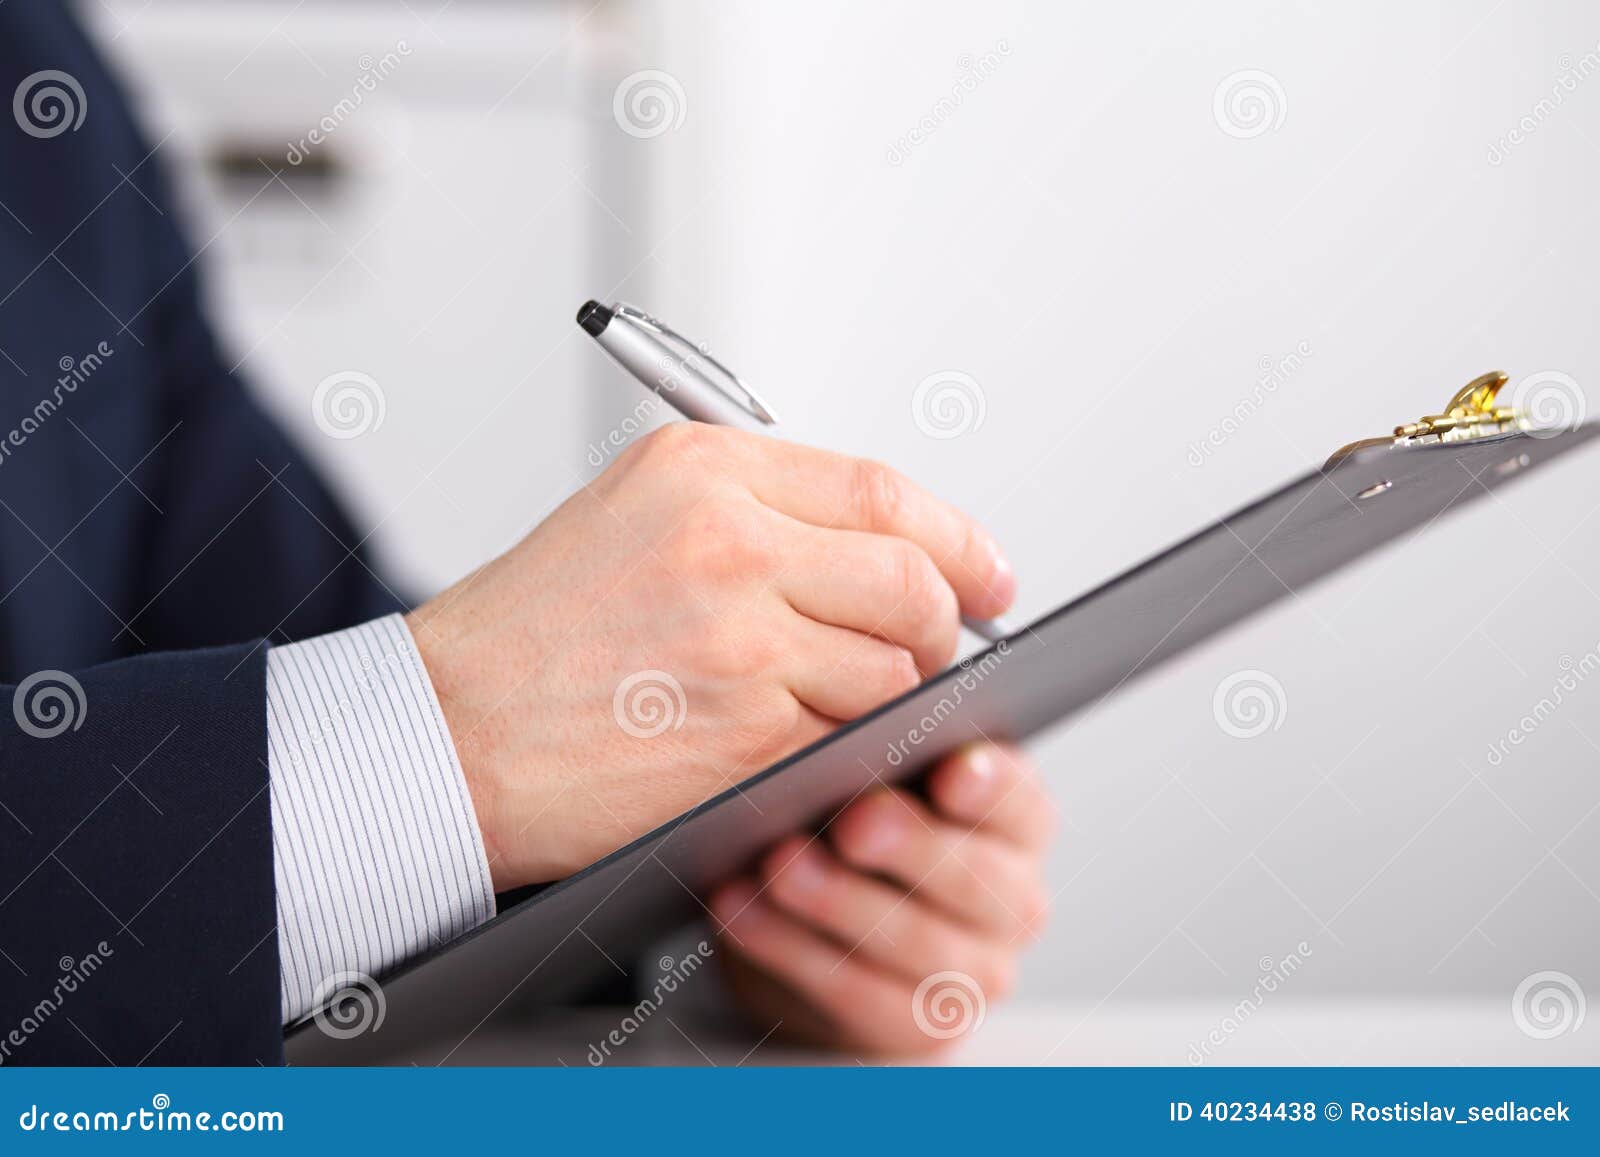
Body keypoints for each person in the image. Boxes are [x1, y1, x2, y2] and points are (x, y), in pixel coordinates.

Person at [0, 2, 1055, 1065]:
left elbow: (295, 623)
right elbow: (418, 734)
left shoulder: (39, 73)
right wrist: (443, 753)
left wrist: (731, 874)